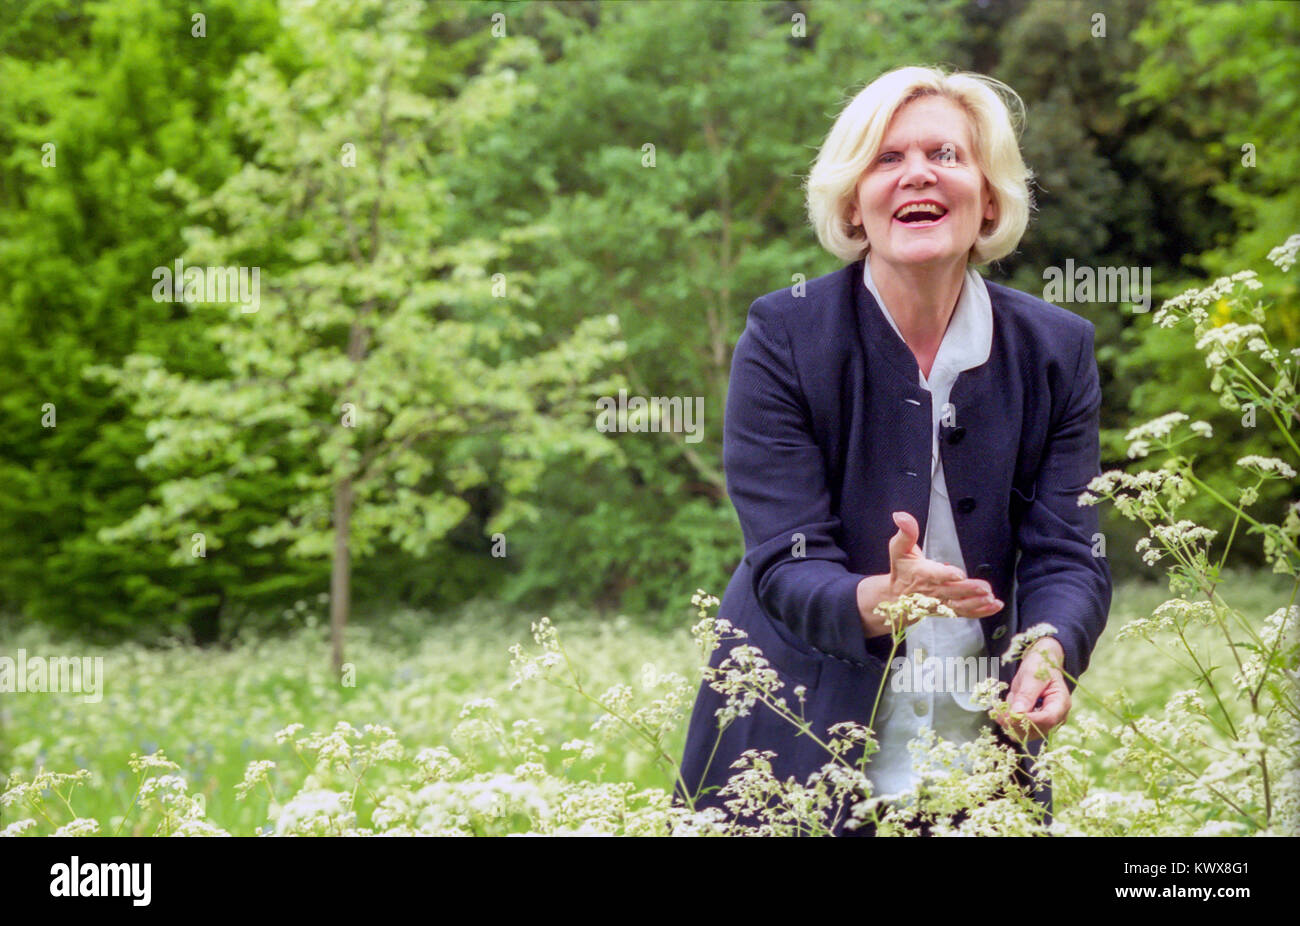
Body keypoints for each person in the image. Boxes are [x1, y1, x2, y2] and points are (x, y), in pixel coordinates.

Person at [676, 66, 1112, 835]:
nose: (918, 173)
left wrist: (1049, 648)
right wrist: (879, 599)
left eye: (946, 154)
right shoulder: (783, 334)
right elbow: (784, 557)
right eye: (887, 158)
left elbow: (1067, 552)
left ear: (990, 198)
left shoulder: (1058, 348)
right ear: (852, 202)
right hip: (793, 746)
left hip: (981, 755)